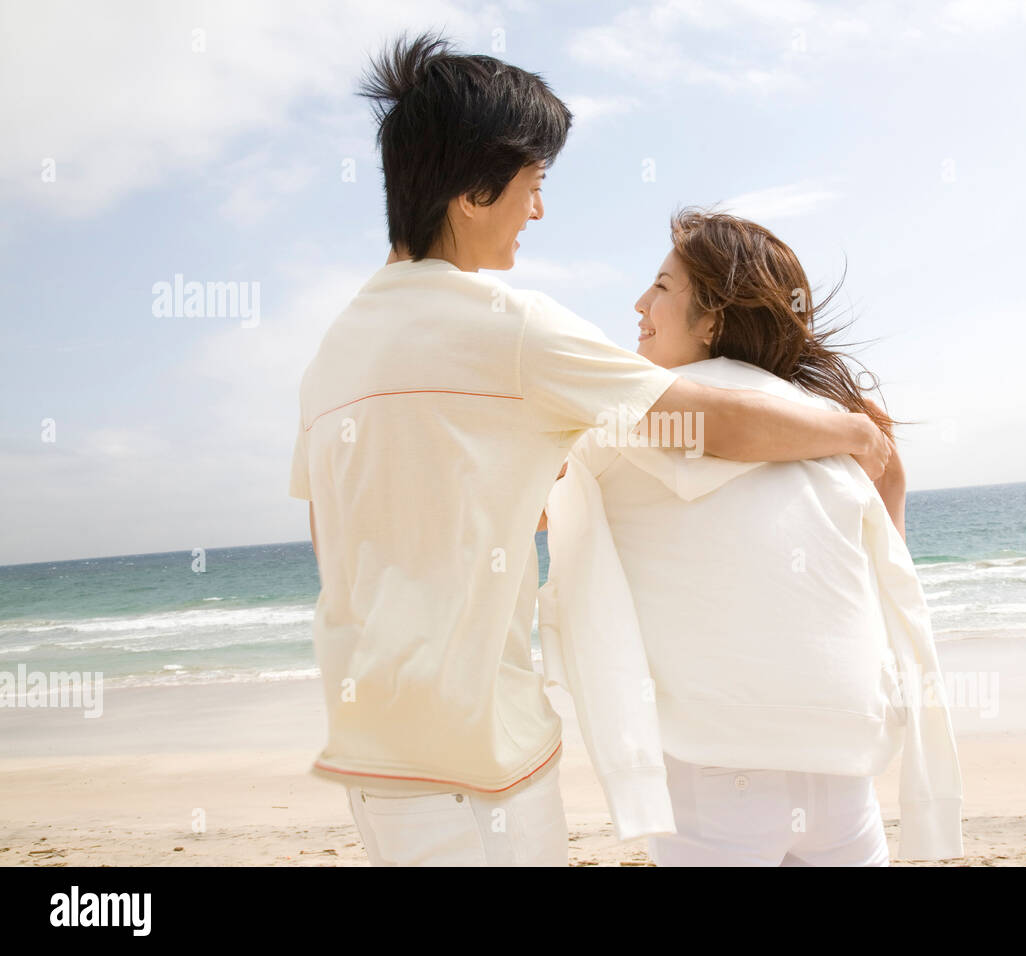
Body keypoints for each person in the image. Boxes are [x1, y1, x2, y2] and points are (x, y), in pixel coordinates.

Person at [288, 34, 895, 867]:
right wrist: (855, 432)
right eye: (534, 186)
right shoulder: (510, 331)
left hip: (372, 750)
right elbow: (703, 424)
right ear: (474, 191)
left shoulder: (328, 359)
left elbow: (345, 537)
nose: (537, 212)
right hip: (483, 748)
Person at [539, 209, 963, 866]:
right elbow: (890, 565)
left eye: (660, 287)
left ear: (711, 320)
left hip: (717, 764)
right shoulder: (832, 420)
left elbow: (529, 501)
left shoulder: (633, 420)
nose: (639, 304)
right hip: (841, 757)